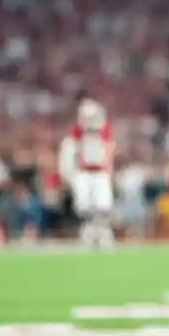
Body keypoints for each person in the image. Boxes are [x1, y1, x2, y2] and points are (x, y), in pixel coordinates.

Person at [58, 98, 116, 251]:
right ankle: (89, 232)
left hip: (100, 171)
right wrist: (69, 173)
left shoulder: (104, 132)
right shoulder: (77, 133)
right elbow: (71, 152)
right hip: (84, 172)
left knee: (102, 205)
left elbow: (108, 151)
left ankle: (103, 233)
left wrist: (109, 169)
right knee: (85, 205)